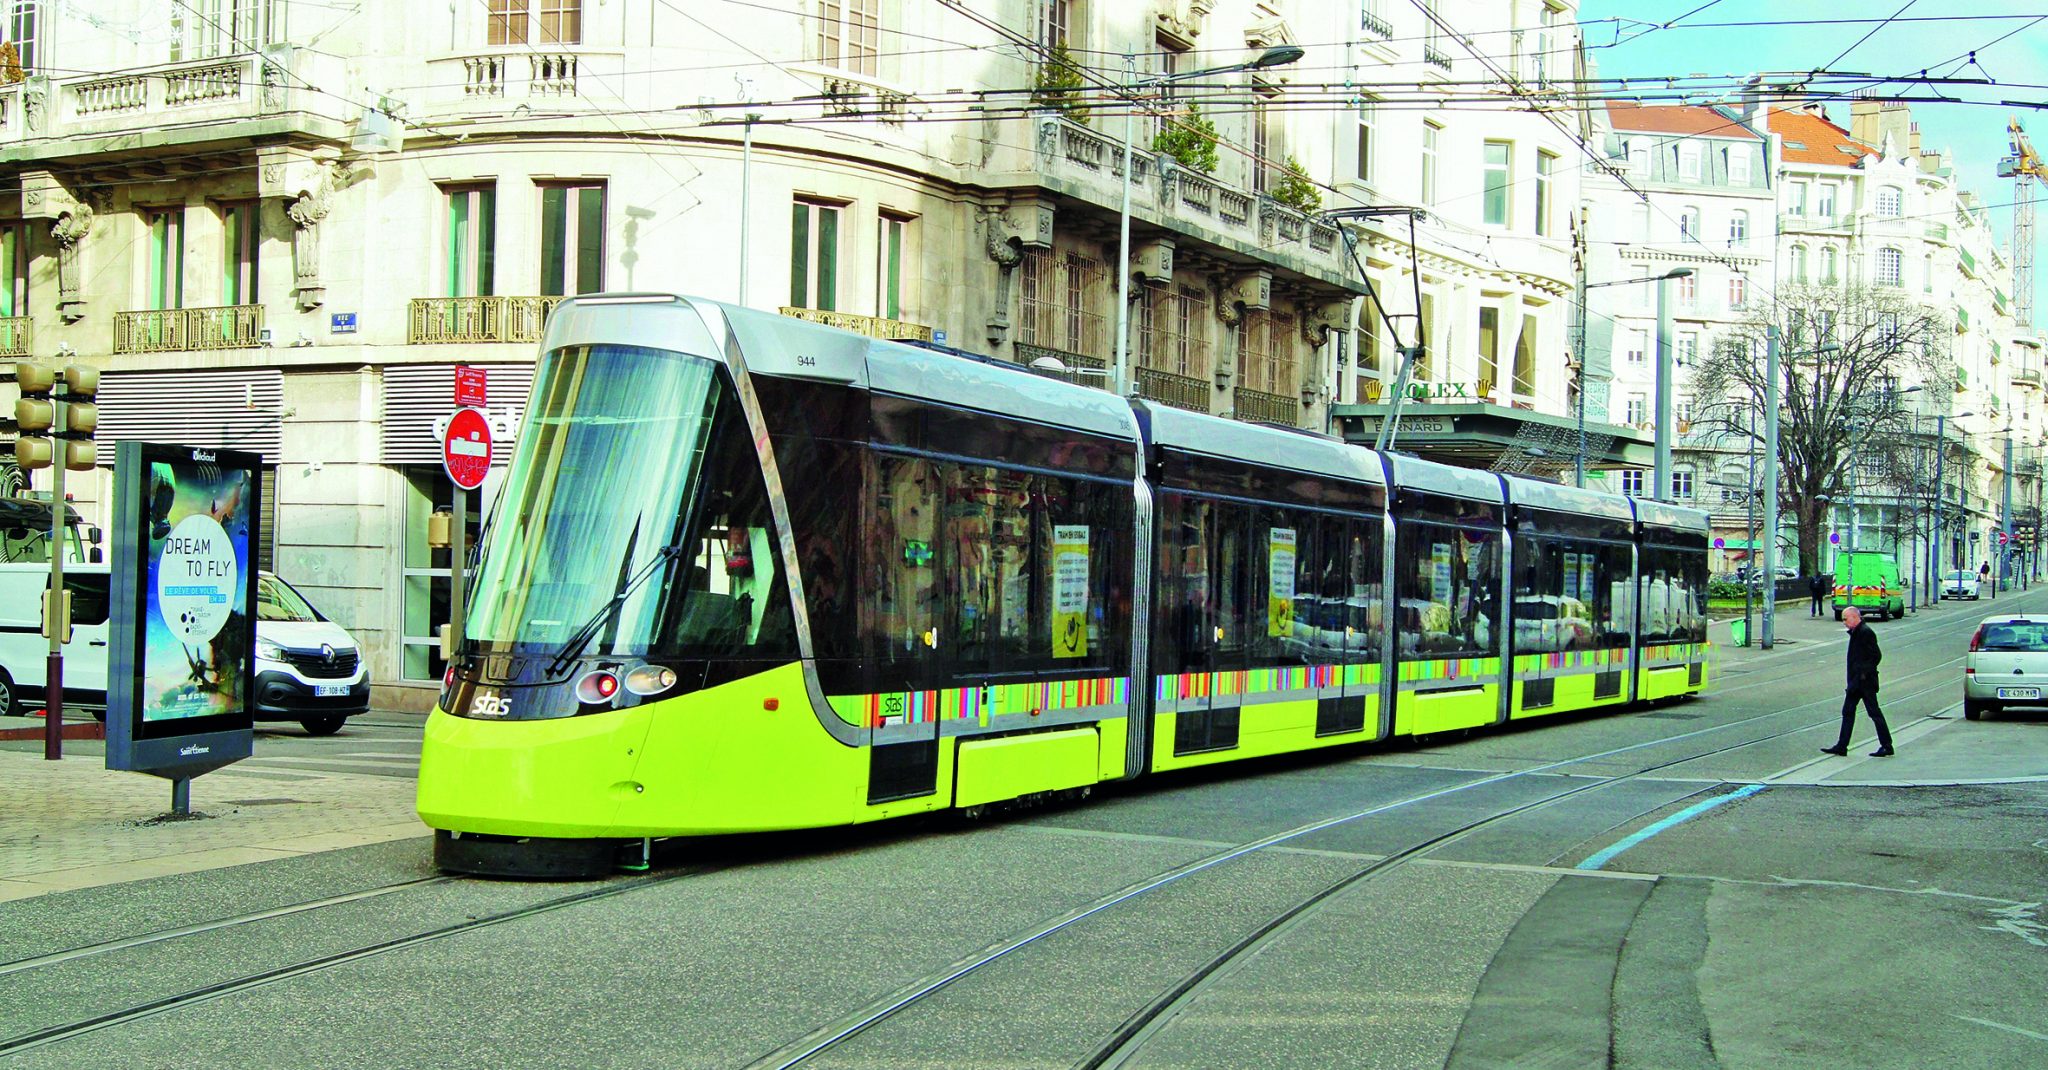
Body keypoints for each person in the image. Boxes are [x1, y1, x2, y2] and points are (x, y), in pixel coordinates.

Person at [1823, 606, 1894, 757]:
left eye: (1845, 619)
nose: (1843, 622)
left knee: (1874, 713)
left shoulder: (1865, 632)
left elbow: (1876, 656)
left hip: (1865, 683)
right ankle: (1842, 745)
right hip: (1856, 683)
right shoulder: (1856, 633)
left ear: (1855, 617)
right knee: (1848, 711)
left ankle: (1887, 745)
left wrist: (1862, 675)